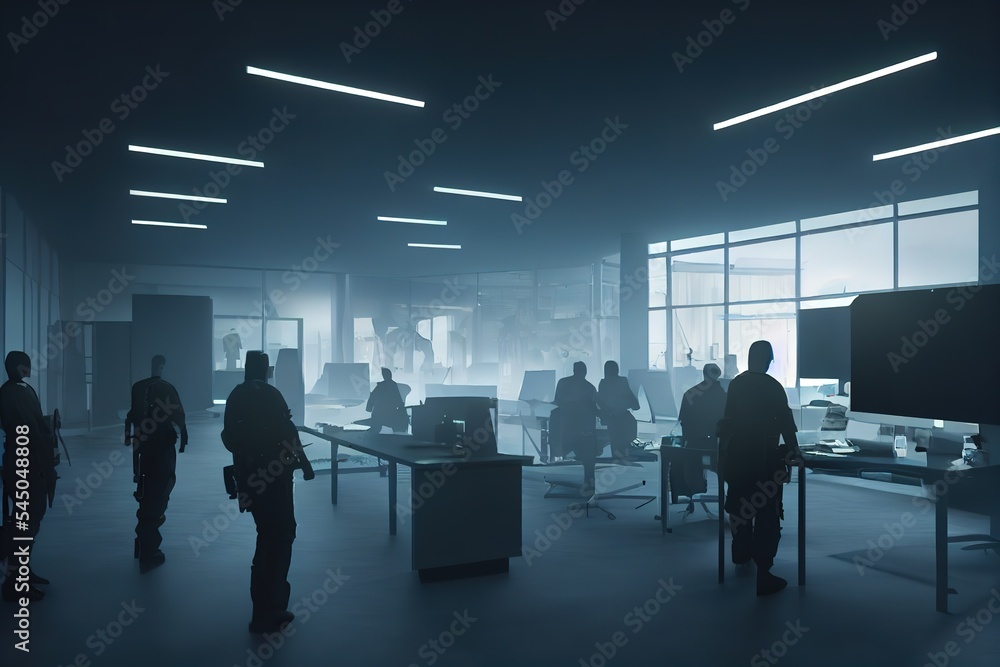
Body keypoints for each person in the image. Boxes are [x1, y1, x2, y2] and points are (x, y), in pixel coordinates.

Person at [223, 351, 315, 634]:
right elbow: (289, 432)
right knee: (282, 534)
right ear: (266, 370)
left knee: (265, 535)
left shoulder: (236, 395)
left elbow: (228, 438)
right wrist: (305, 464)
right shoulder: (272, 395)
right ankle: (271, 608)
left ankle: (261, 608)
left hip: (249, 478)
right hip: (276, 477)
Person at [719, 341, 800, 596]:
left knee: (740, 509)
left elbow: (727, 421)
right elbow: (786, 424)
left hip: (738, 457)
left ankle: (741, 558)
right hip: (766, 460)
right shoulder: (772, 387)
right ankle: (764, 573)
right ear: (767, 360)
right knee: (767, 514)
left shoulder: (736, 384)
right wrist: (794, 451)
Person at [1, 351, 56, 602]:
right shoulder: (13, 392)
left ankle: (22, 573)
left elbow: (33, 424)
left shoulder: (19, 390)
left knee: (30, 520)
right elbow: (29, 428)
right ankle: (16, 582)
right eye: (25, 366)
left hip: (27, 463)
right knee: (25, 523)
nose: (28, 369)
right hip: (24, 463)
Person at [124, 355, 187, 572]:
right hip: (160, 449)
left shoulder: (139, 387)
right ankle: (148, 548)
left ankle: (144, 543)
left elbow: (132, 416)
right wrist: (183, 437)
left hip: (144, 449)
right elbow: (179, 415)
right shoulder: (165, 387)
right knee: (158, 494)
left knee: (147, 492)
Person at [553, 361, 599, 494]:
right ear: (585, 372)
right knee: (589, 458)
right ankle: (589, 484)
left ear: (573, 370)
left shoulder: (562, 383)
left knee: (571, 450)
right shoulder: (590, 387)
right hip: (584, 430)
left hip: (566, 428)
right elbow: (594, 408)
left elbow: (557, 402)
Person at [596, 361, 640, 462]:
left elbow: (602, 401)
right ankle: (624, 457)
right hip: (621, 417)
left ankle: (619, 459)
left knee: (616, 442)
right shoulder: (622, 381)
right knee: (623, 441)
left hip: (612, 418)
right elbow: (629, 397)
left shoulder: (603, 383)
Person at [361, 368, 407, 434]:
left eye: (385, 374)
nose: (384, 376)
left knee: (377, 427)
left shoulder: (388, 385)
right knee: (376, 428)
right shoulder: (383, 385)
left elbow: (397, 398)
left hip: (385, 412)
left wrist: (369, 408)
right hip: (382, 412)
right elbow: (373, 397)